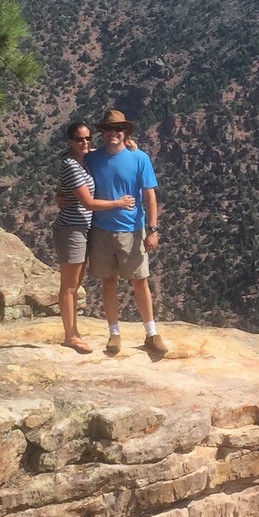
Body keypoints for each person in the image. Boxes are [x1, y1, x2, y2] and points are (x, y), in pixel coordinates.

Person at [84, 108, 166, 356]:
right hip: (101, 230)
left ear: (126, 131)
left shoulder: (139, 157)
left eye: (119, 129)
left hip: (132, 229)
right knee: (108, 283)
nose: (114, 133)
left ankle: (151, 333)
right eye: (109, 129)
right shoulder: (93, 158)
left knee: (140, 281)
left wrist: (152, 229)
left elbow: (149, 195)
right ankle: (114, 334)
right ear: (103, 132)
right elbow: (73, 159)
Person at [54, 121, 135, 353]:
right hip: (71, 230)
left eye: (88, 138)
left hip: (84, 228)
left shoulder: (85, 160)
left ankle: (73, 331)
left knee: (76, 283)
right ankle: (71, 336)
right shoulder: (71, 164)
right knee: (69, 286)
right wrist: (119, 203)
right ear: (70, 141)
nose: (85, 142)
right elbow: (88, 202)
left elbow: (109, 152)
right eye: (79, 139)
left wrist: (128, 144)